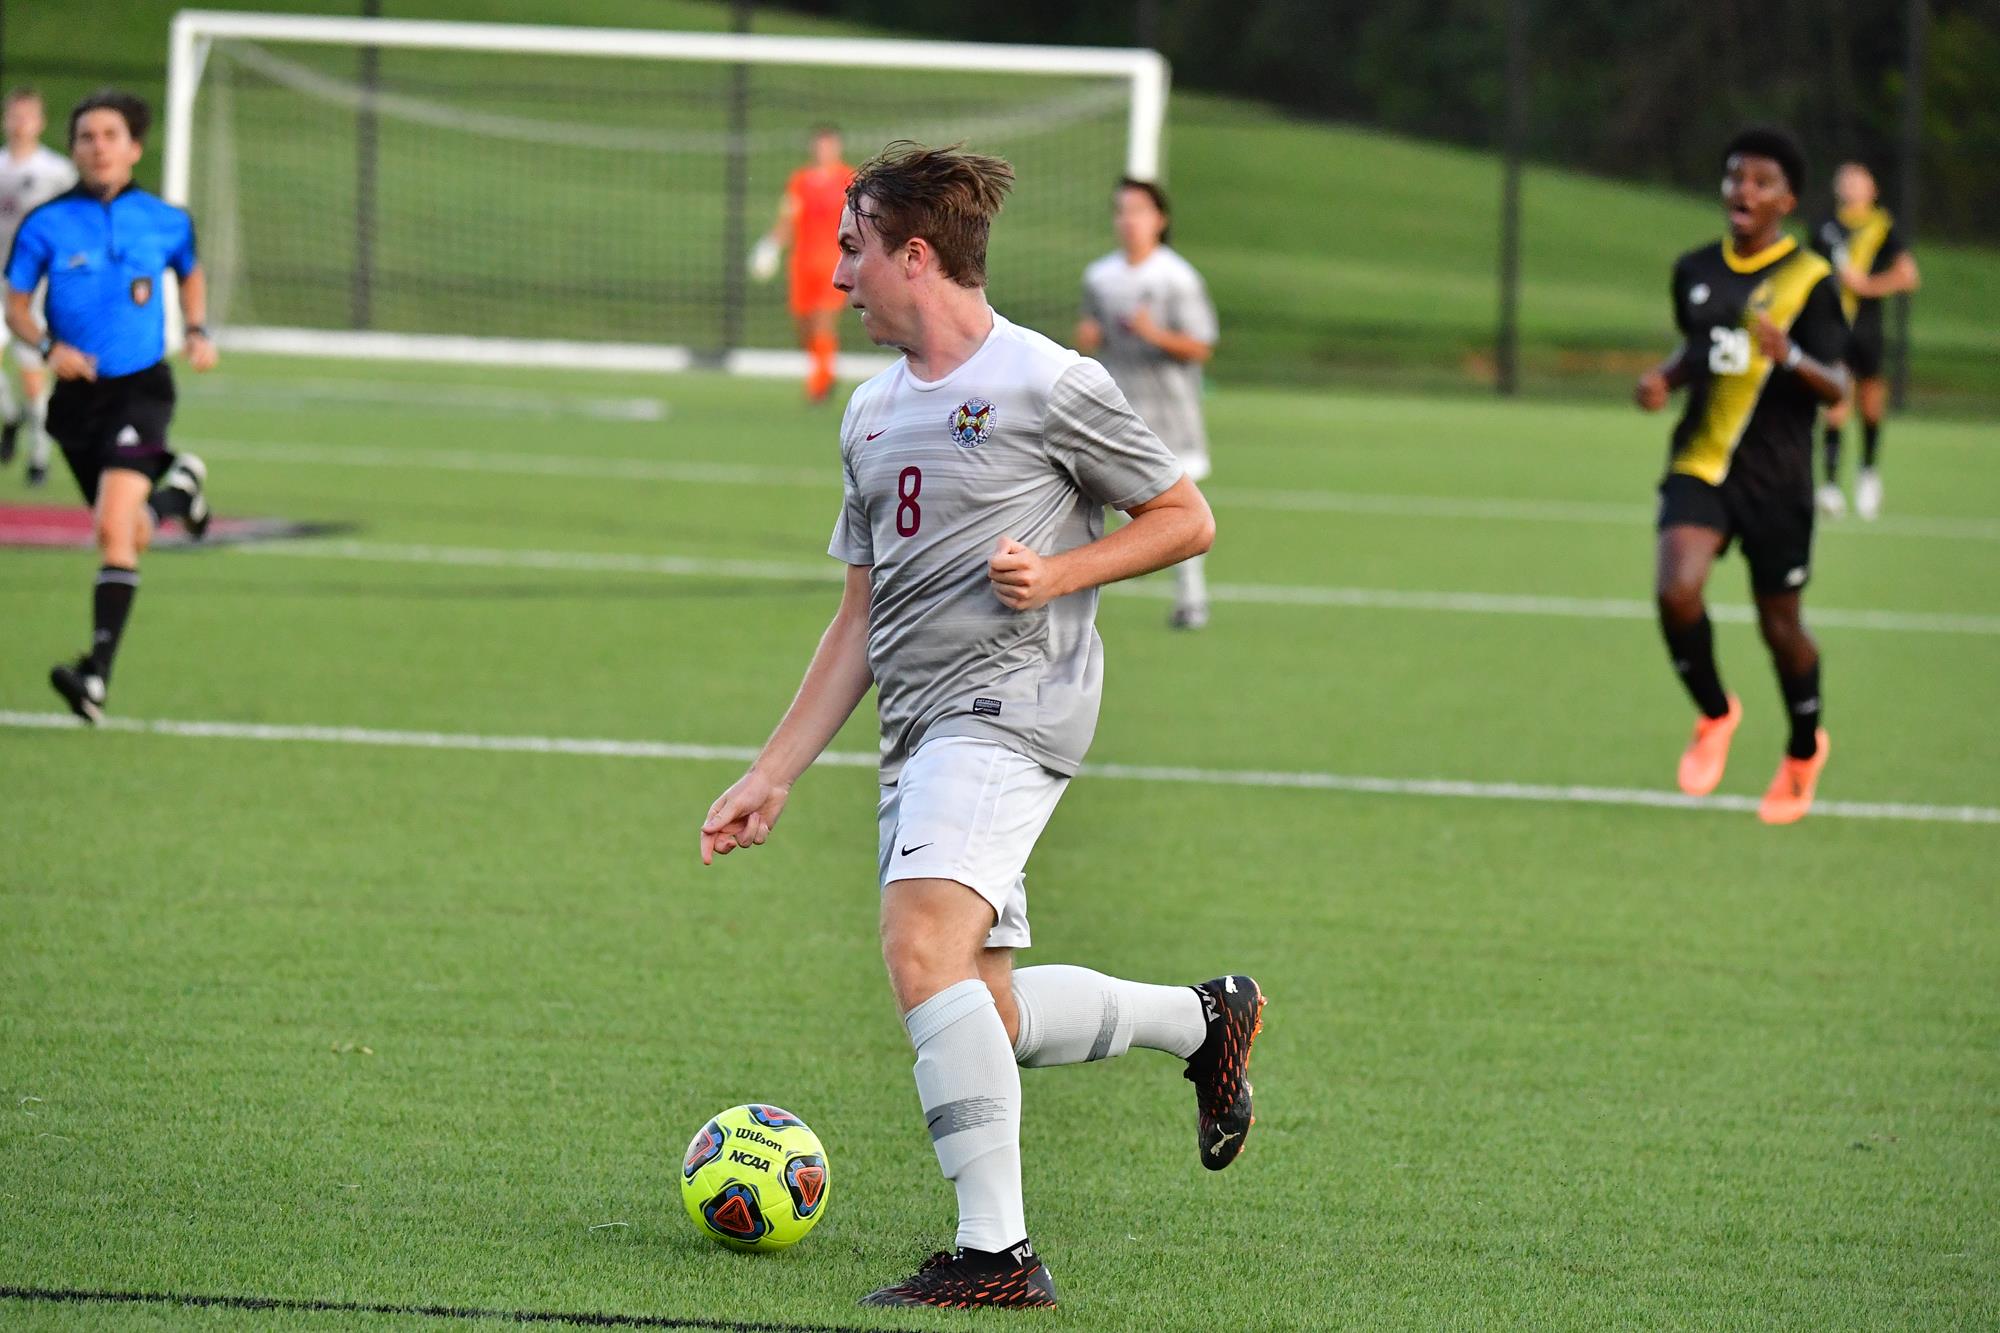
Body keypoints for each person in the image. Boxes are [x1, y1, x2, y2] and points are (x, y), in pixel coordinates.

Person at [699, 142, 1261, 1309]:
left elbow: (1183, 516)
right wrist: (775, 769)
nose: (840, 276)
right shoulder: (865, 411)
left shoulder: (1047, 381)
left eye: (853, 250)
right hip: (918, 728)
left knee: (916, 950)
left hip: (1008, 708)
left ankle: (995, 1254)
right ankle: (1201, 1020)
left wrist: (1057, 573)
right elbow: (857, 616)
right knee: (981, 1004)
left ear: (915, 254)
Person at [1634, 127, 1848, 825]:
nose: (1743, 192)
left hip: (1779, 481)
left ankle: (1801, 748)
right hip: (1701, 461)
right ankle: (1716, 713)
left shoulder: (1811, 281)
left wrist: (1790, 357)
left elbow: (1837, 385)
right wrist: (1665, 377)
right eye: (1735, 178)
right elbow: (1701, 348)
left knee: (1780, 627)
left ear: (1786, 199)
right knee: (1676, 590)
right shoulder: (1695, 269)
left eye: (1760, 182)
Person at [4, 90, 218, 723]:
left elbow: (191, 270)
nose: (98, 147)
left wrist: (198, 329)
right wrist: (47, 345)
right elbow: (16, 306)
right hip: (75, 404)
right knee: (129, 533)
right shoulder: (44, 224)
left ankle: (95, 675)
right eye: (86, 137)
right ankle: (179, 491)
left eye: (109, 135)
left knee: (108, 532)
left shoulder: (166, 219)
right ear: (72, 149)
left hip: (140, 389)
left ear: (134, 147)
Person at [1077, 177, 1220, 629]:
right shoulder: (1100, 276)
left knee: (1179, 507)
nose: (1128, 220)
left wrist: (1154, 334)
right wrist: (1088, 338)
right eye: (1121, 210)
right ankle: (1084, 589)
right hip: (1117, 410)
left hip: (1170, 412)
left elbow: (1201, 347)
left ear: (1160, 219)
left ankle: (1191, 601)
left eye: (1138, 210)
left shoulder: (1176, 278)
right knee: (1103, 501)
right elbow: (1090, 334)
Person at [1810, 161, 1920, 521]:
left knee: (1871, 405)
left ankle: (1868, 473)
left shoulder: (1884, 227)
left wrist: (1867, 286)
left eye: (1860, 181)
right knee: (1837, 402)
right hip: (1832, 328)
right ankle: (1828, 487)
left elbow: (1908, 276)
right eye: (1846, 181)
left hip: (1869, 329)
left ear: (1872, 189)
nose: (1852, 187)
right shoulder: (1824, 228)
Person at [0, 87, 79, 484]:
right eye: (14, 115)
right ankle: (9, 416)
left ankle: (38, 453)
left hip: (32, 287)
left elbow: (74, 222)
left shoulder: (56, 172)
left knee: (33, 374)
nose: (20, 123)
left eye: (27, 115)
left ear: (40, 122)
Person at [753, 125, 855, 404]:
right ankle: (824, 372)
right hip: (802, 263)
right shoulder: (800, 181)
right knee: (804, 327)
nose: (823, 151)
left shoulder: (849, 180)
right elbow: (789, 217)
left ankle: (819, 384)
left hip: (833, 263)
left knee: (824, 320)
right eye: (819, 145)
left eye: (829, 145)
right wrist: (770, 246)